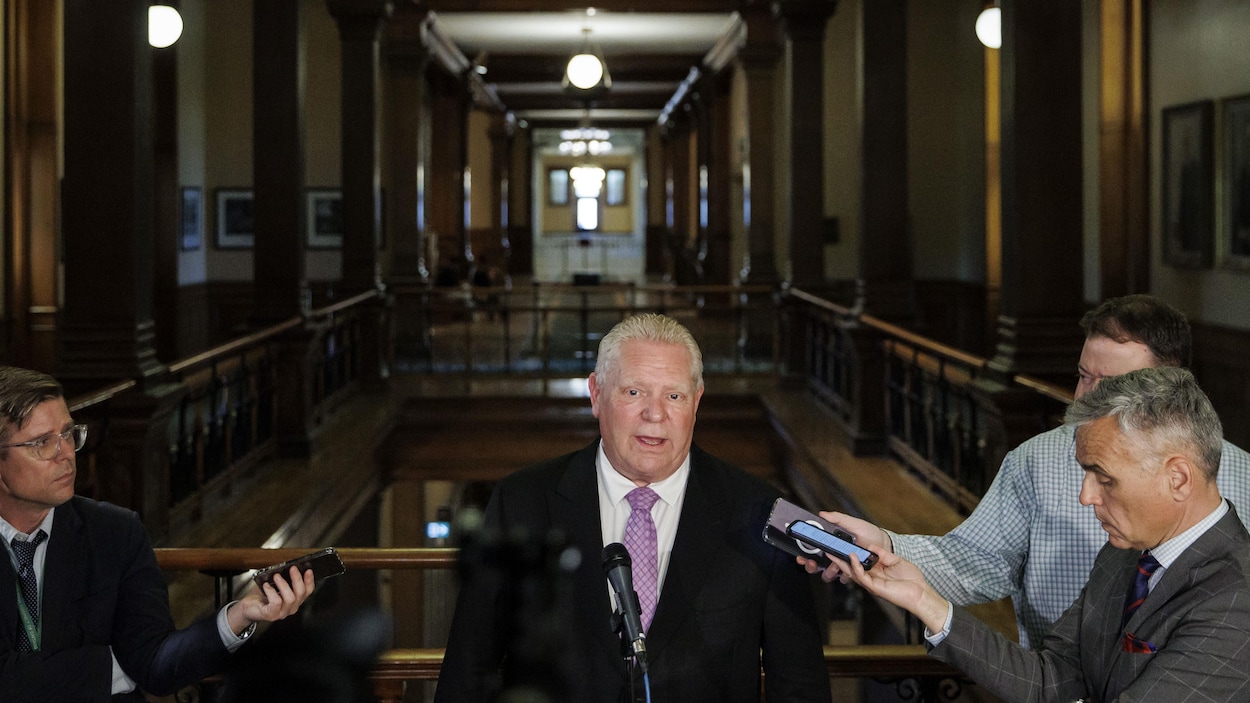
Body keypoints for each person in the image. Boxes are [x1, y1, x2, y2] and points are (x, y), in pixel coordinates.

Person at [805, 294, 1250, 647]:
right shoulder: (1036, 461)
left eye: (1111, 385)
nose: (1083, 399)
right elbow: (973, 564)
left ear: (1170, 386)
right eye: (1083, 376)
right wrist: (884, 545)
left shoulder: (1242, 478)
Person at [435, 313, 830, 703]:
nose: (654, 414)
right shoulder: (521, 501)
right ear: (596, 394)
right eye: (634, 392)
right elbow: (469, 667)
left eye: (673, 396)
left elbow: (799, 681)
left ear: (697, 402)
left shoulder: (764, 513)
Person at [835, 367, 1250, 701]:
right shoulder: (1124, 554)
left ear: (1178, 478)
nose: (1085, 496)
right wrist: (927, 603)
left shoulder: (1238, 599)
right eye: (1084, 472)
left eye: (1103, 478)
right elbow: (1050, 680)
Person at [0, 366, 316, 701]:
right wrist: (115, 667)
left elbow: (155, 663)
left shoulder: (115, 532)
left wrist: (239, 615)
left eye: (68, 434)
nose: (66, 454)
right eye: (43, 443)